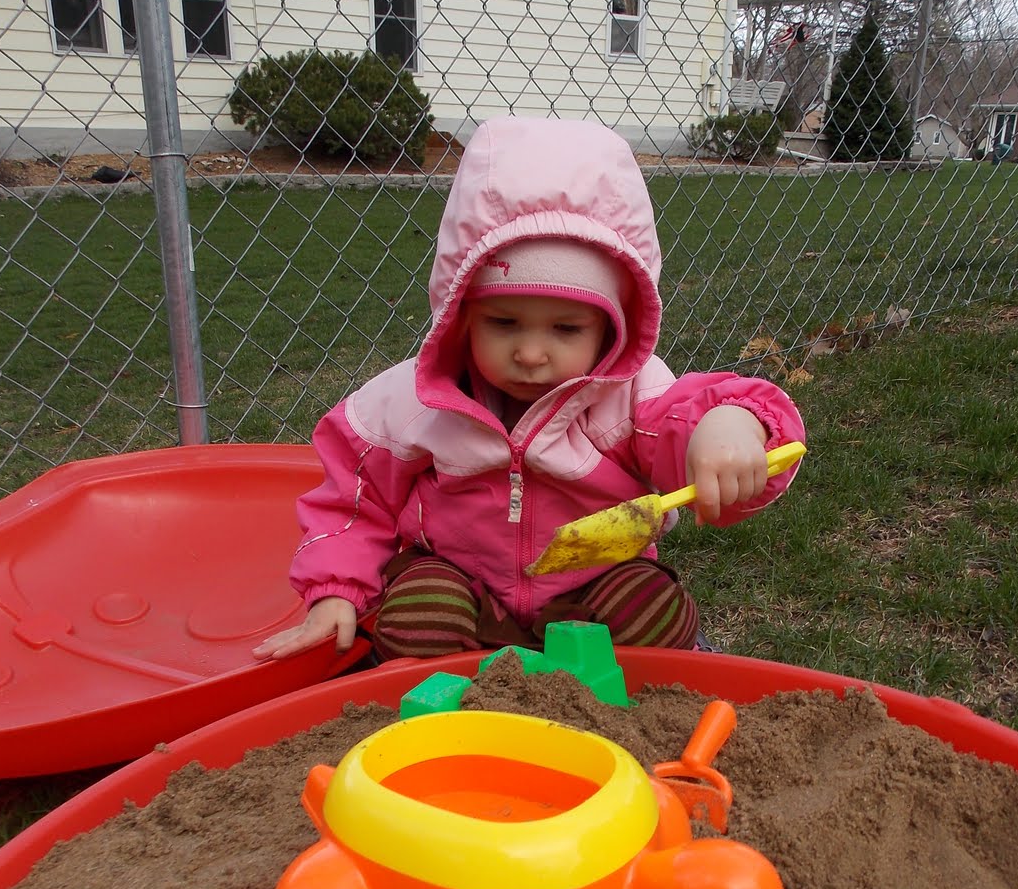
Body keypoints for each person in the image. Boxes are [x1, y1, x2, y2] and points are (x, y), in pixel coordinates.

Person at [254, 115, 805, 664]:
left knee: (654, 614)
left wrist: (730, 426)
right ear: (461, 314)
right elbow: (355, 494)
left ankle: (635, 710)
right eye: (503, 323)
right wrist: (335, 589)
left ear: (612, 327)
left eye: (566, 329)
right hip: (459, 575)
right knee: (418, 620)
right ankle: (449, 712)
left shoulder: (630, 397)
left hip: (593, 575)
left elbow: (685, 417)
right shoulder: (414, 400)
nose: (531, 353)